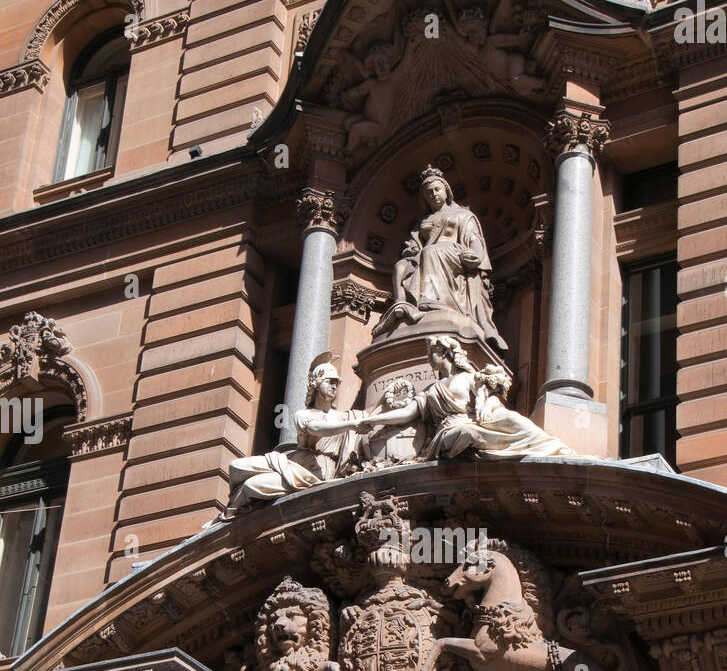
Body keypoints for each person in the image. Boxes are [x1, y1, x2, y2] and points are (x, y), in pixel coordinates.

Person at [212, 354, 373, 520]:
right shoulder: (303, 415)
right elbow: (315, 428)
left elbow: (375, 415)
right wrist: (352, 426)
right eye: (330, 381)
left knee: (251, 486)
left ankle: (229, 516)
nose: (334, 386)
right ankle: (227, 516)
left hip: (317, 472)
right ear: (316, 384)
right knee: (236, 465)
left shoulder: (346, 416)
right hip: (297, 462)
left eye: (336, 383)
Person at [369, 336, 575, 460]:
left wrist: (489, 405)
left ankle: (552, 448)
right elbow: (406, 413)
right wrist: (367, 420)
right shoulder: (432, 390)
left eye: (430, 352)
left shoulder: (469, 377)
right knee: (469, 432)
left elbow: (492, 398)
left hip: (476, 419)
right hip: (449, 430)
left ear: (443, 351)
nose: (428, 358)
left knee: (512, 419)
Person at [373, 168, 506, 351]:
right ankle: (402, 303)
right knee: (400, 266)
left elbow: (475, 241)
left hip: (455, 253)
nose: (433, 194)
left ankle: (432, 300)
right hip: (429, 255)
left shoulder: (463, 215)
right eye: (428, 193)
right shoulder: (422, 222)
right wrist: (411, 250)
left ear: (446, 191)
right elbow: (416, 246)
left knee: (431, 252)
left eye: (437, 189)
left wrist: (474, 254)